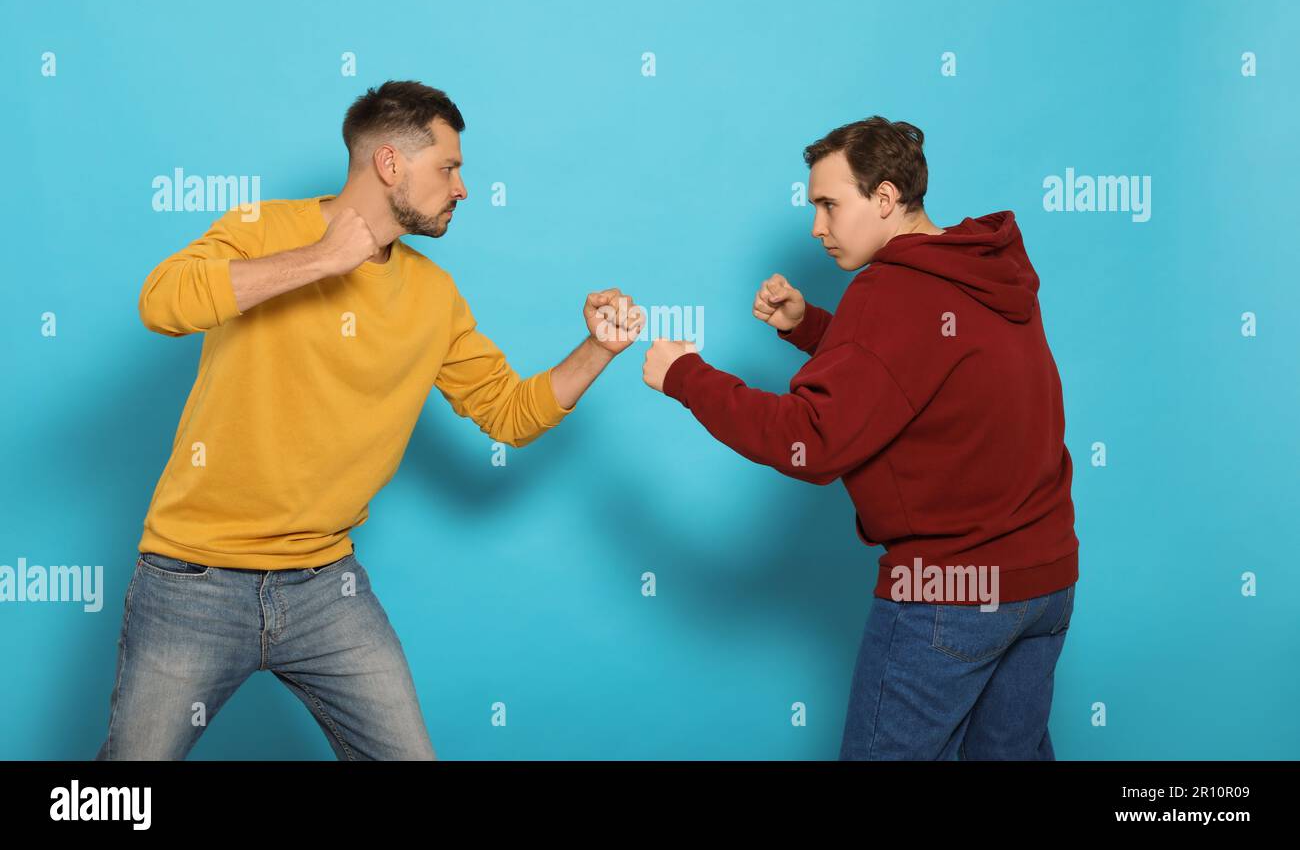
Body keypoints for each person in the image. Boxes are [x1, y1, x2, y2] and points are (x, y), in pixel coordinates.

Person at [96, 80, 644, 760]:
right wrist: (323, 260)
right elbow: (161, 302)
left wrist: (599, 348)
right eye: (449, 167)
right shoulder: (261, 228)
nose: (462, 187)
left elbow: (509, 412)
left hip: (326, 585)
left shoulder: (433, 295)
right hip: (193, 580)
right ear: (390, 164)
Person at [642, 116, 1078, 760]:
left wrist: (687, 376)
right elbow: (930, 368)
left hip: (951, 590)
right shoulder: (983, 265)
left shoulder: (891, 290)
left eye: (828, 205)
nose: (816, 228)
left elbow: (814, 441)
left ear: (883, 198)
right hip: (1043, 582)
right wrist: (815, 326)